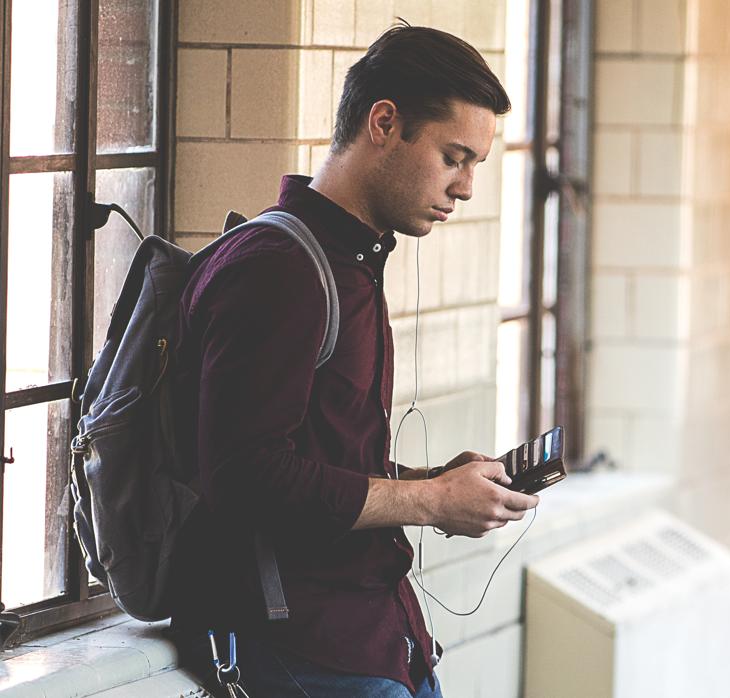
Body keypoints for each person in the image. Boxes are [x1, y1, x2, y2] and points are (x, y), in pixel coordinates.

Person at [168, 23, 538, 697]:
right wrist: (428, 501)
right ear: (385, 122)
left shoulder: (350, 262)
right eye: (455, 156)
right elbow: (245, 476)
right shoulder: (278, 268)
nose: (466, 188)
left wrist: (438, 484)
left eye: (477, 164)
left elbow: (320, 466)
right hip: (305, 644)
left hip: (374, 637)